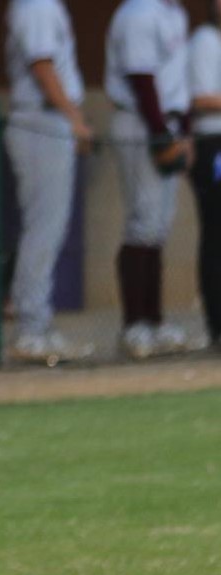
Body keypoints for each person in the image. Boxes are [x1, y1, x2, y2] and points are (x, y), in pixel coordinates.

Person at [107, 0, 204, 360]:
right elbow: (141, 78)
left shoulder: (174, 13)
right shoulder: (138, 13)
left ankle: (155, 321)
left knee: (160, 225)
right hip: (140, 123)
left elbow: (180, 82)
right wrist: (162, 136)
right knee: (142, 223)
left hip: (170, 124)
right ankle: (135, 325)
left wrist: (186, 132)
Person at [0, 0, 95, 365]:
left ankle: (36, 323)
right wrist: (75, 118)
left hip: (46, 121)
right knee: (43, 227)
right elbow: (42, 66)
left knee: (47, 228)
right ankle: (30, 328)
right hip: (41, 120)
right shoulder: (36, 5)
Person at [192, 0, 221, 347]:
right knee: (216, 235)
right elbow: (200, 98)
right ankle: (217, 325)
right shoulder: (204, 40)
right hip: (214, 142)